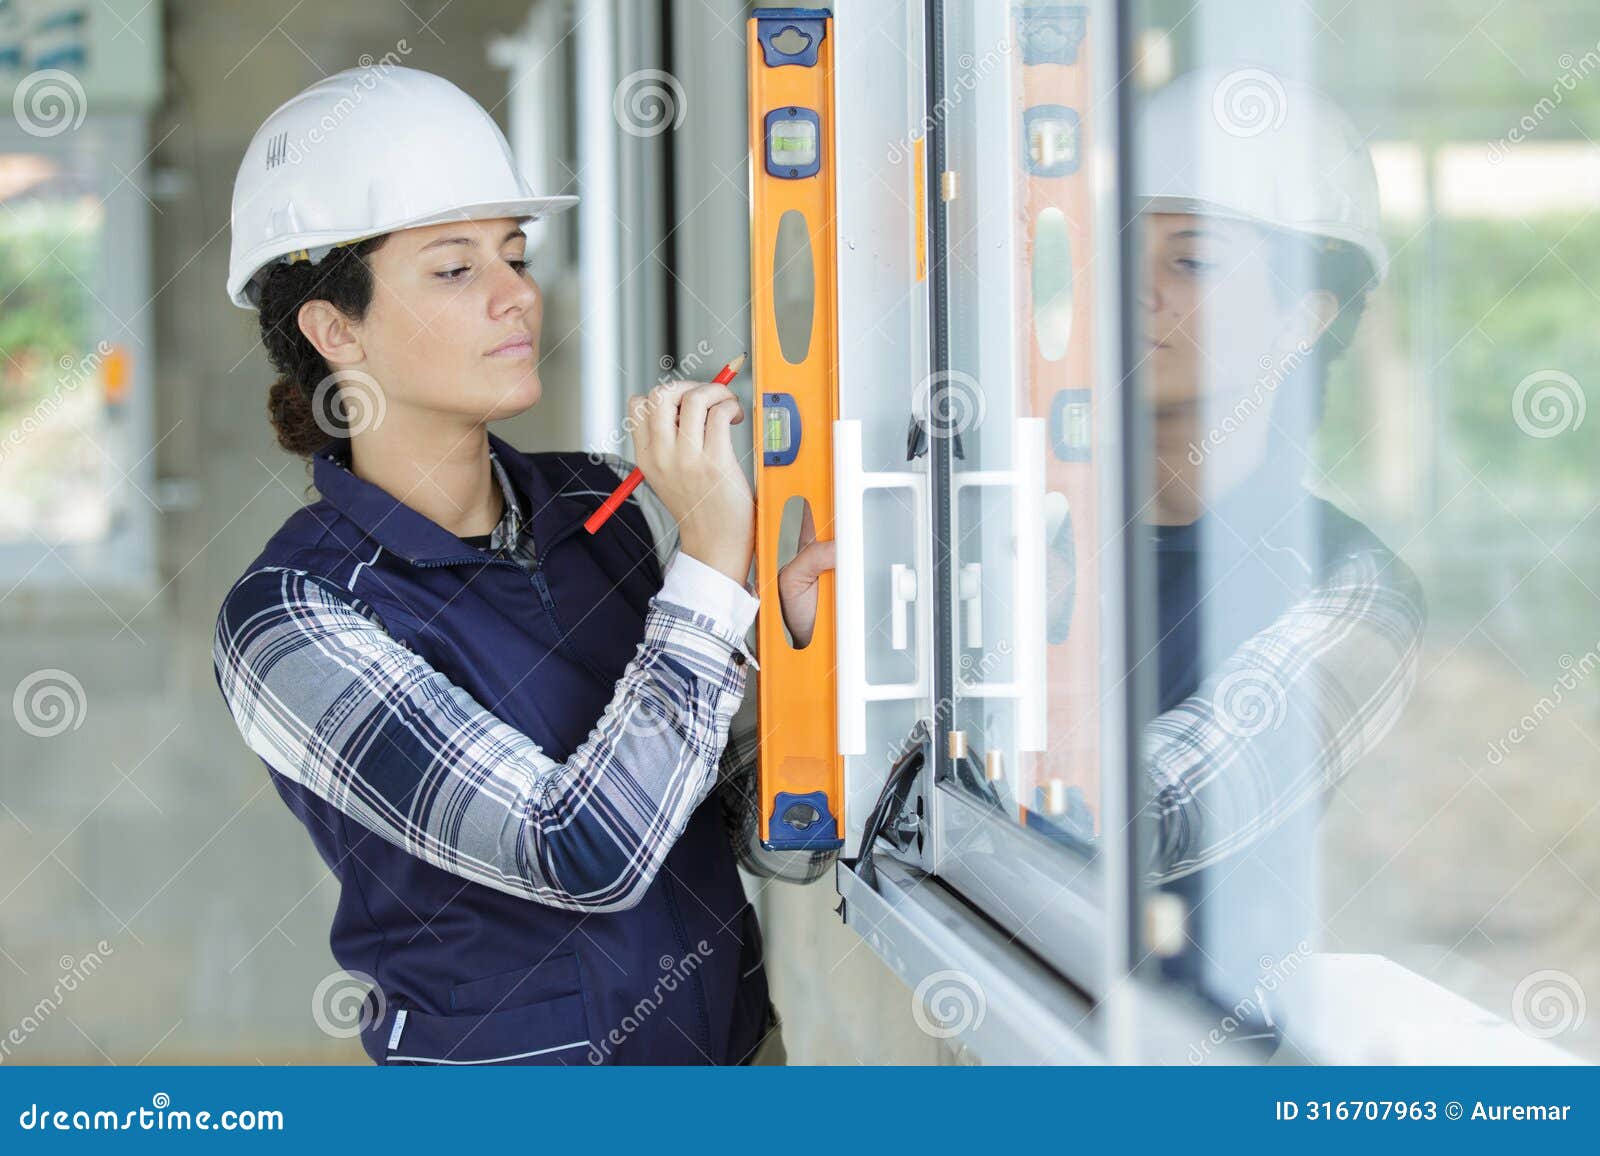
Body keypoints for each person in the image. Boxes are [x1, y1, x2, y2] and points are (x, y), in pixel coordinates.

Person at [212, 65, 832, 1066]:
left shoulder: (595, 504)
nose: (518, 296)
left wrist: (782, 654)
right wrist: (713, 563)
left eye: (515, 253)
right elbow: (582, 852)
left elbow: (704, 821)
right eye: (456, 270)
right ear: (337, 328)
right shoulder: (290, 618)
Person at [1130, 69, 1427, 1033]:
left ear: (1308, 317)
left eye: (1194, 261)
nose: (1136, 290)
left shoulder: (1358, 592)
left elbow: (1154, 815)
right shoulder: (1023, 531)